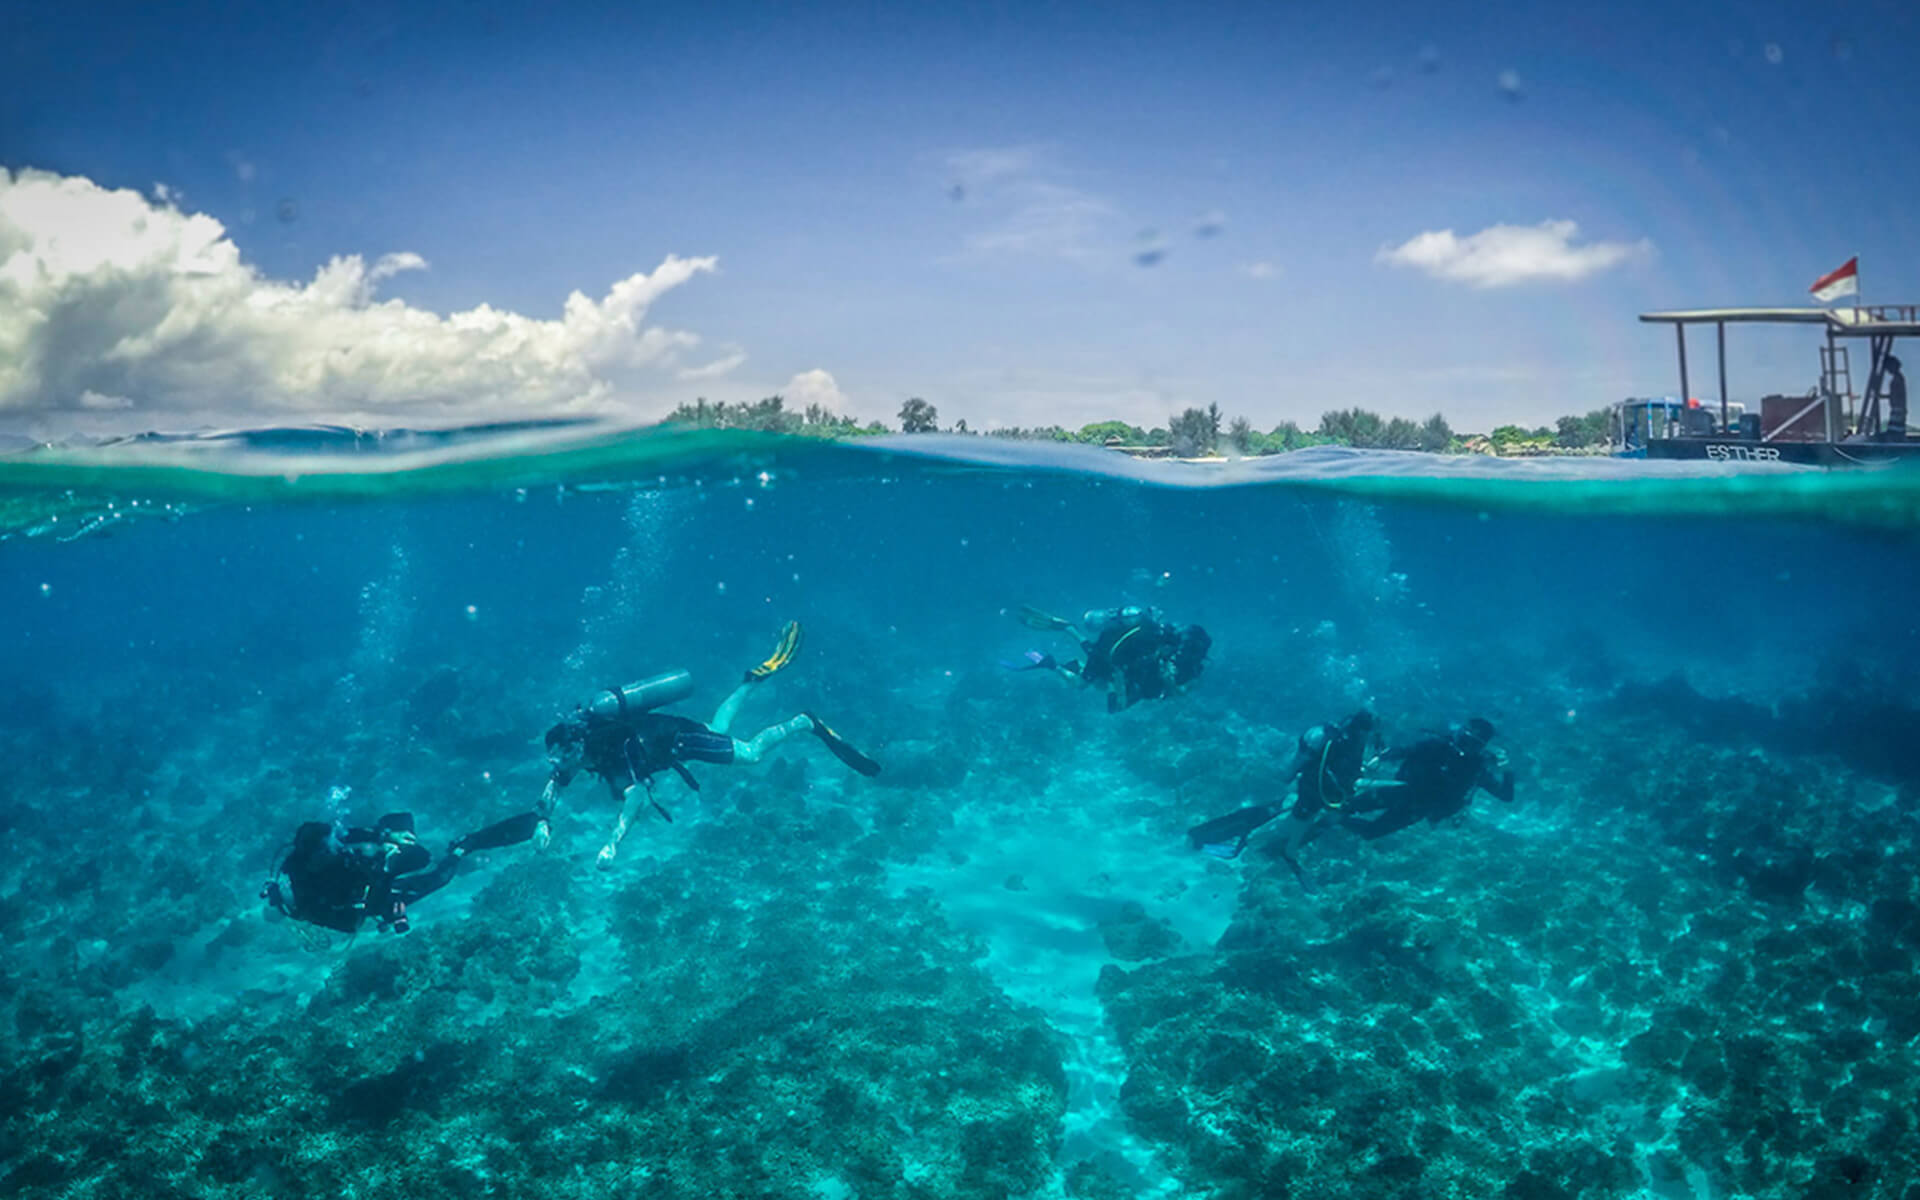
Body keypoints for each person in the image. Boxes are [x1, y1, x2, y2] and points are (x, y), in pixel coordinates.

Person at [543, 621, 880, 868]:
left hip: (678, 740)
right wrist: (542, 819)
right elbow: (555, 785)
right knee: (719, 727)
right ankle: (753, 680)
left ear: (575, 747)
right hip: (667, 730)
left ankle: (804, 722)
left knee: (751, 754)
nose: (561, 767)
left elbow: (636, 799)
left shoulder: (615, 755)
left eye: (564, 759)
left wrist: (612, 845)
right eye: (557, 762)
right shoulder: (582, 748)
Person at [261, 808, 544, 935]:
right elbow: (350, 924)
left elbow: (347, 835)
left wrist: (384, 836)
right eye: (325, 851)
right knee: (438, 878)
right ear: (310, 857)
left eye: (330, 846)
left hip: (367, 875)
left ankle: (520, 828)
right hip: (372, 898)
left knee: (410, 838)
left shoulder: (327, 847)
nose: (333, 850)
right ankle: (464, 849)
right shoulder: (305, 888)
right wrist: (383, 875)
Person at [1187, 709, 1388, 866]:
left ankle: (1212, 836)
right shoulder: (1348, 741)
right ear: (1365, 728)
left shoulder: (1342, 738)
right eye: (1373, 731)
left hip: (1314, 788)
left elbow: (1334, 768)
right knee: (1276, 819)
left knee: (1276, 815)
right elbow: (1340, 772)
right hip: (1316, 792)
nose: (1373, 737)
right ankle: (1229, 843)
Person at [1008, 604, 1211, 712]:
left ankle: (1070, 631)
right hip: (1115, 659)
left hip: (1117, 656)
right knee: (1082, 684)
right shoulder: (1180, 661)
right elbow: (1178, 692)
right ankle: (1051, 662)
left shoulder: (1179, 659)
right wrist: (1119, 680)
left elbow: (1179, 692)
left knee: (1097, 671)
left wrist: (1167, 680)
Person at [1340, 717, 1515, 843]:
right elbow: (1404, 750)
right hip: (1399, 791)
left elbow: (1506, 796)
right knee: (1345, 807)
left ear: (1481, 747)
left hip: (1417, 808)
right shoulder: (1438, 746)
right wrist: (1381, 758)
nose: (1465, 747)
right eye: (1464, 739)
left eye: (1473, 744)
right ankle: (1327, 819)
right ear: (1460, 734)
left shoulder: (1476, 769)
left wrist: (1506, 771)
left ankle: (1334, 820)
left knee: (1369, 832)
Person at [1884, 354, 1907, 441]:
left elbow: (1898, 395)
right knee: (1896, 434)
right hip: (1897, 409)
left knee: (1894, 434)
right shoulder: (1898, 378)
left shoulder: (1898, 378)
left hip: (1898, 410)